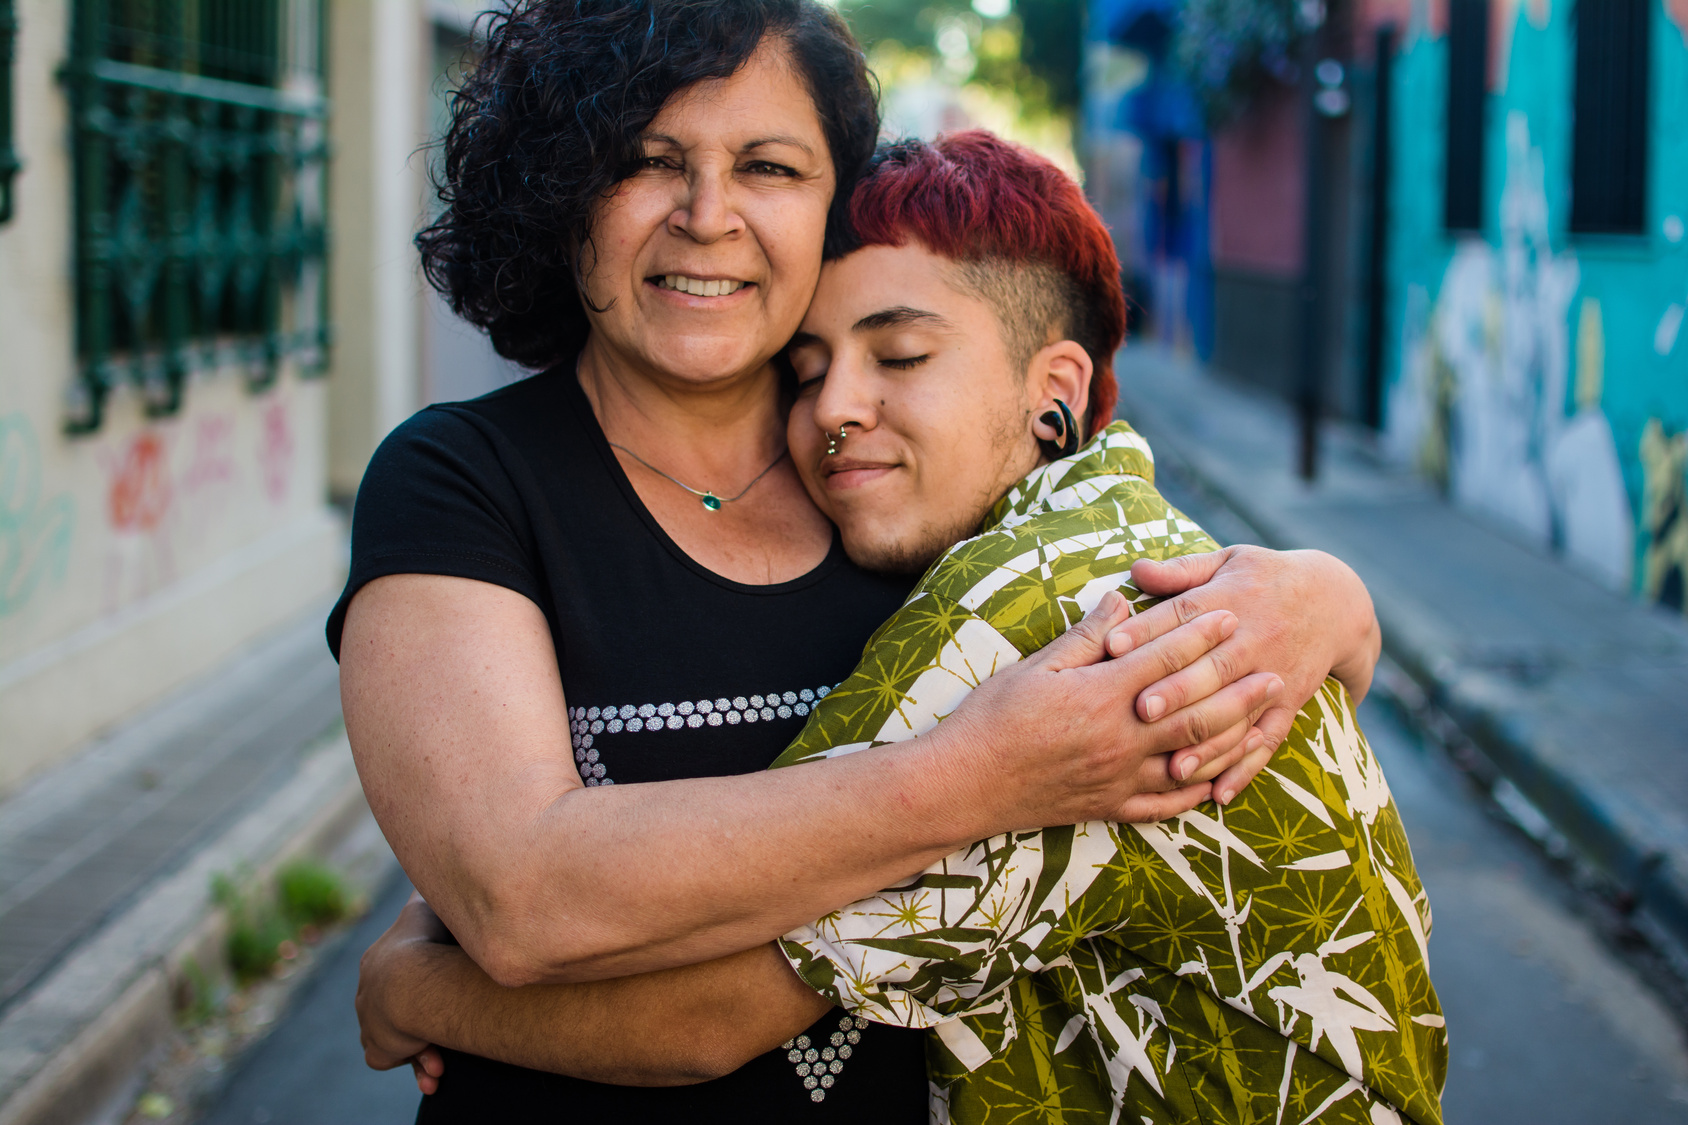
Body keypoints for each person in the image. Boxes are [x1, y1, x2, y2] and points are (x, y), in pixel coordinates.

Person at [337, 2, 1386, 1118]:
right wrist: (982, 774)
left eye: (769, 167)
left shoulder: (904, 493)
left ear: (827, 206)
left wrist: (1328, 598)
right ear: (562, 190)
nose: (707, 216)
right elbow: (524, 896)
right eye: (646, 160)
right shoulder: (462, 482)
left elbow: (1160, 614)